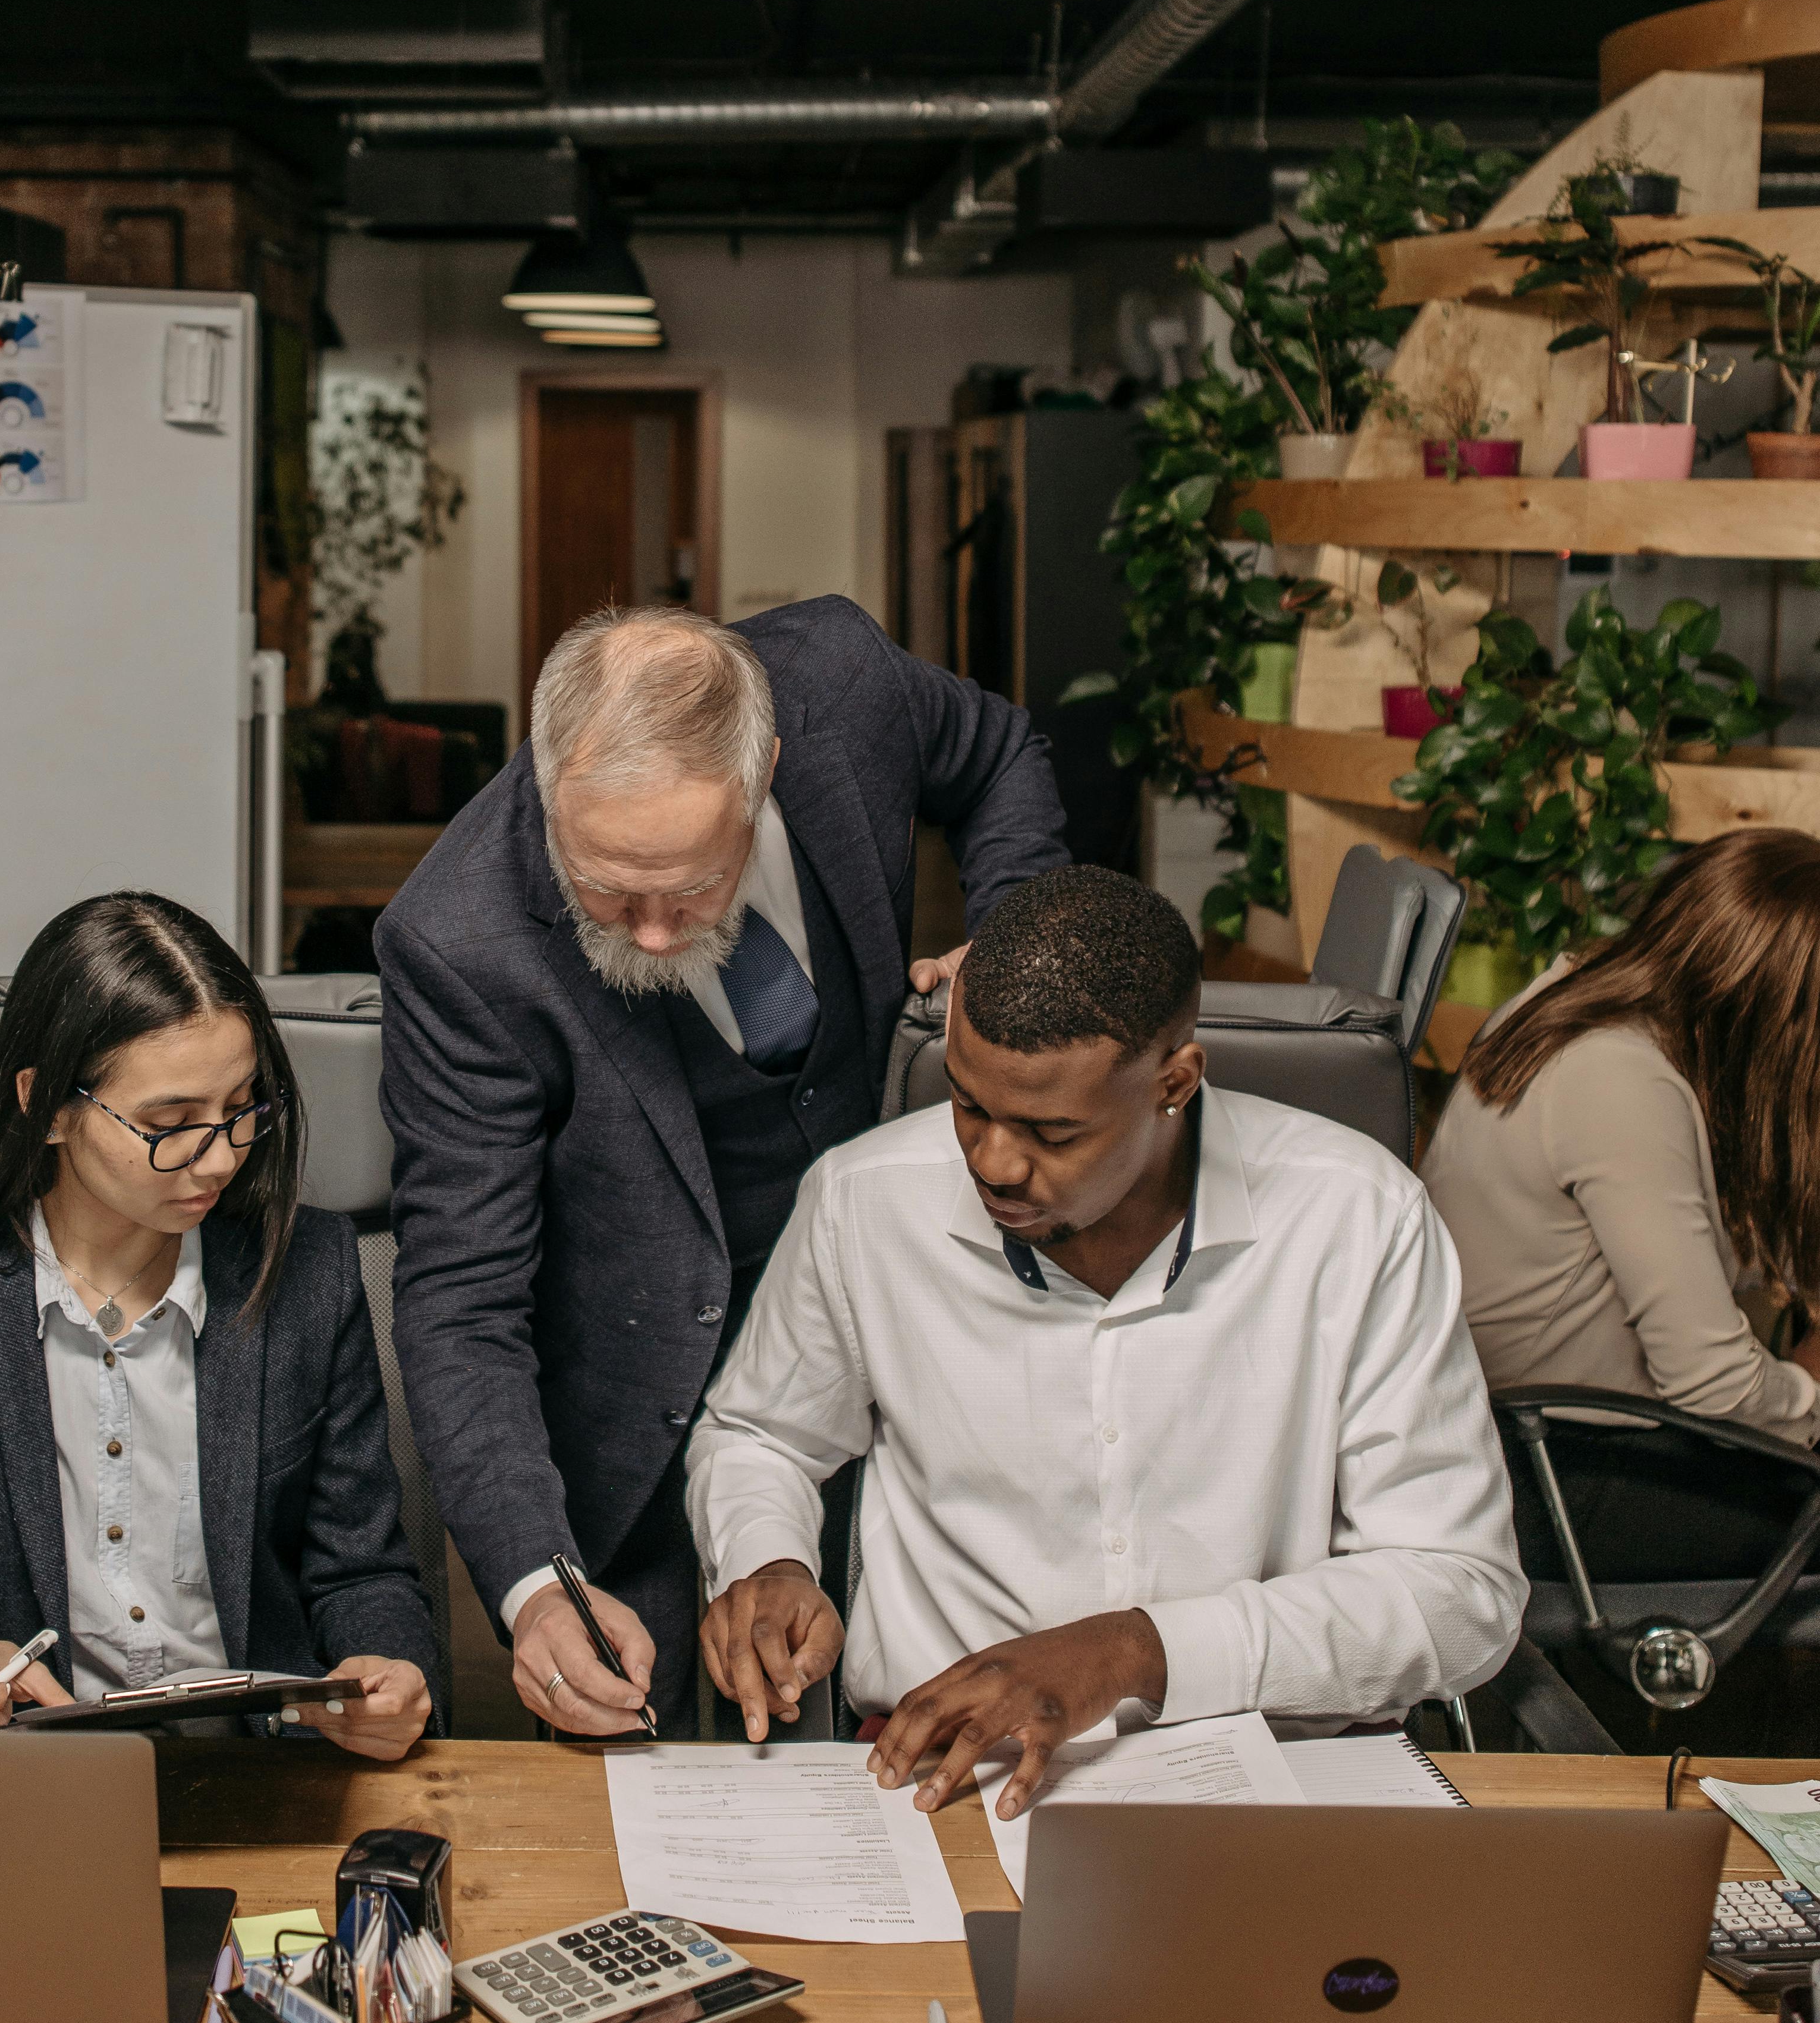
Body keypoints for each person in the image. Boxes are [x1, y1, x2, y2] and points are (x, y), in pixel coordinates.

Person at [687, 864, 1525, 1819]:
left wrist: (1137, 1650)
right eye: (969, 1104)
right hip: (943, 1784)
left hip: (1273, 1784)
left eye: (1052, 1131)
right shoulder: (863, 1201)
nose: (993, 1162)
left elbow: (1462, 1595)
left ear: (1176, 1083)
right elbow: (761, 1438)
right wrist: (771, 1562)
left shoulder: (1359, 1217)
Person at [378, 596, 1067, 1738]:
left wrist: (1009, 936)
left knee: (897, 1728)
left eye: (692, 889)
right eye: (603, 888)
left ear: (767, 778)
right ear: (551, 788)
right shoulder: (456, 939)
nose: (650, 931)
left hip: (896, 1339)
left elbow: (999, 752)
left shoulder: (843, 687)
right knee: (627, 1760)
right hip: (631, 1406)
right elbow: (460, 1296)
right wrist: (535, 1584)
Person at [0, 891, 441, 1742]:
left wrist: (388, 1668)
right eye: (170, 1123)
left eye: (245, 1106)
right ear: (49, 1106)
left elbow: (360, 1574)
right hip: (23, 1791)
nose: (220, 1156)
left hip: (265, 1776)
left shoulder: (307, 1272)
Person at [1423, 829, 1820, 1564]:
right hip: (1552, 1481)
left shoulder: (1579, 1001)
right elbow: (1716, 1388)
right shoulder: (1618, 1081)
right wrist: (1806, 1401)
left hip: (1496, 1444)